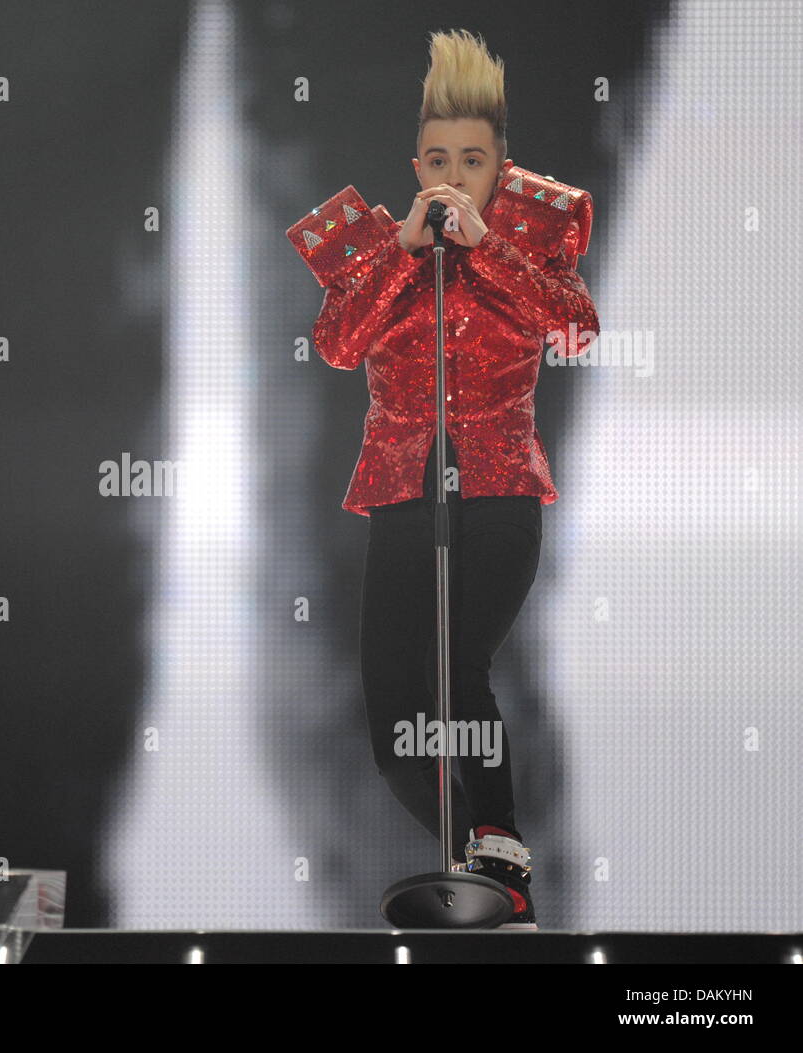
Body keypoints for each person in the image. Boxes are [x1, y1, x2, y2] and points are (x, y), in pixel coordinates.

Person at [308, 29, 599, 928]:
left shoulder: (534, 240)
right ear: (417, 163)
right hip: (401, 496)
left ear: (499, 168)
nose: (453, 176)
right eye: (439, 159)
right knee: (395, 721)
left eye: (472, 160)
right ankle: (474, 854)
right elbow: (336, 344)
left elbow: (576, 329)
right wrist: (403, 251)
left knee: (453, 660)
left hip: (501, 491)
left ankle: (502, 847)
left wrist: (487, 250)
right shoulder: (377, 254)